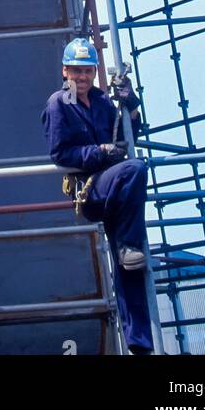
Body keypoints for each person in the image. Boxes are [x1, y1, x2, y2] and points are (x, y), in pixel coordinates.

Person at [41, 38, 153, 354]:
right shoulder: (59, 104)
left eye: (87, 71)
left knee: (131, 262)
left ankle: (139, 342)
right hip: (90, 189)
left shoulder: (103, 102)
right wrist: (99, 152)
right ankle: (128, 245)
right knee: (135, 170)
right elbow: (60, 154)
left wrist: (130, 103)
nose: (82, 78)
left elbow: (130, 134)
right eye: (76, 71)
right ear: (65, 71)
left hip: (115, 185)